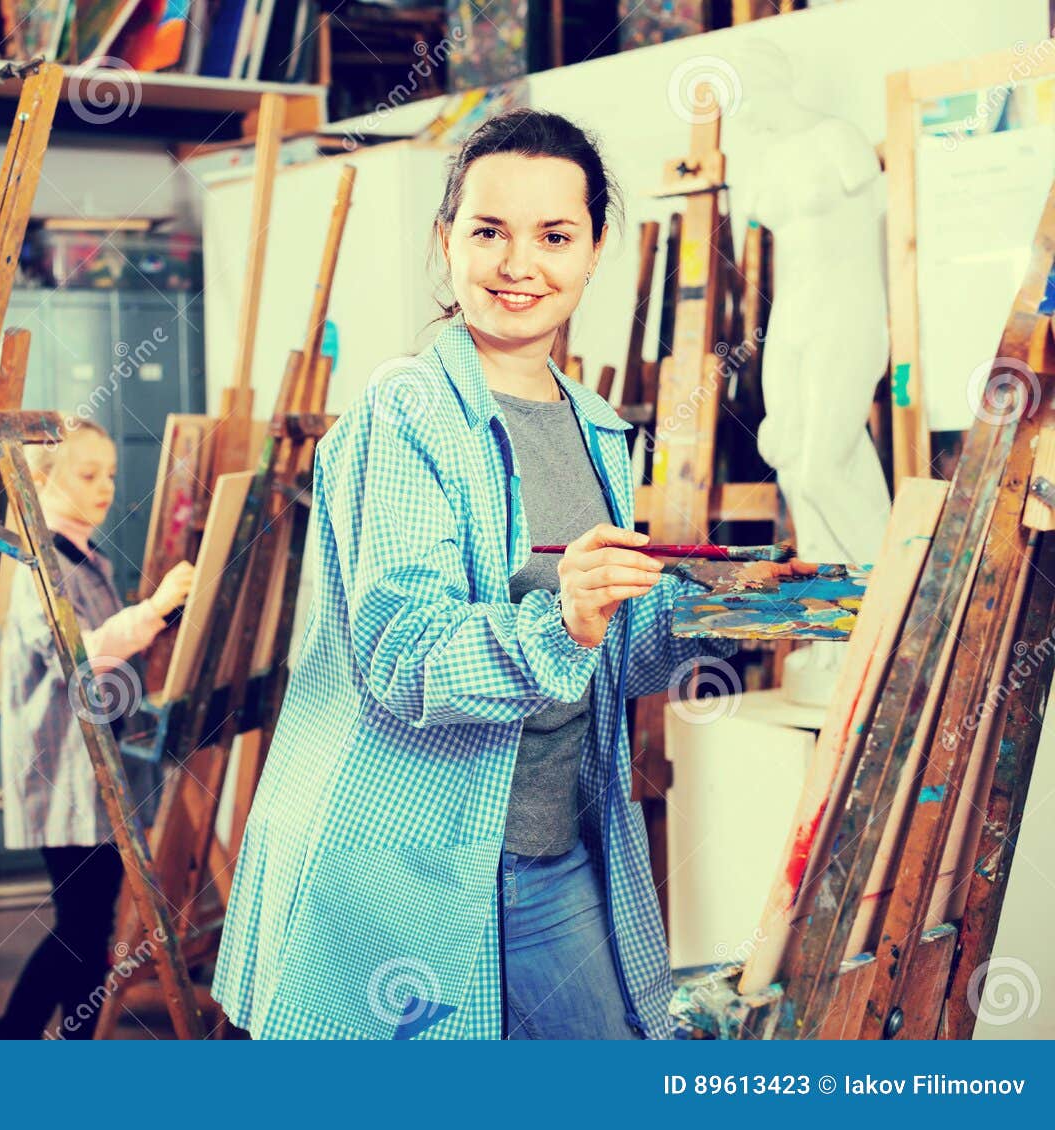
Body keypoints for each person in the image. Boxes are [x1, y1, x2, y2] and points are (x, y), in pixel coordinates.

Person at [212, 109, 747, 1040]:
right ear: (445, 241)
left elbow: (609, 646)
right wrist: (564, 619)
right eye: (488, 231)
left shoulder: (597, 427)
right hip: (408, 860)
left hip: (551, 847)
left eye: (554, 236)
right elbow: (404, 650)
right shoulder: (408, 409)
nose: (518, 265)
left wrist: (727, 615)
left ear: (592, 252)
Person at [0, 419, 193, 1039]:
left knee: (90, 924)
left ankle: (56, 1043)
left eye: (109, 473)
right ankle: (12, 1038)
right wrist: (154, 609)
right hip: (66, 770)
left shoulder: (86, 557)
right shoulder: (37, 561)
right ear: (43, 480)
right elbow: (70, 657)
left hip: (99, 769)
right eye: (87, 474)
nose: (105, 486)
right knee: (82, 924)